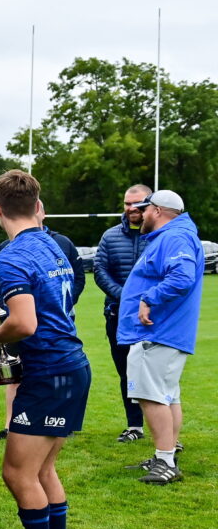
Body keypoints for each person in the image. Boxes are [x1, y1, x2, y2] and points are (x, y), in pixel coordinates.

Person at [0, 170, 90, 529]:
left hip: (49, 373)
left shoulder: (10, 256)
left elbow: (24, 323)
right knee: (43, 469)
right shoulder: (51, 243)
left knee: (17, 473)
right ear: (38, 206)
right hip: (72, 365)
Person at [117, 189, 203, 485]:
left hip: (158, 330)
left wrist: (149, 298)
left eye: (145, 208)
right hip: (164, 330)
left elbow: (182, 276)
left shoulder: (174, 237)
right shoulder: (175, 235)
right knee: (167, 395)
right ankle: (165, 456)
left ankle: (165, 461)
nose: (139, 214)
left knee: (150, 394)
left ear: (157, 210)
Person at [0, 215, 84, 441]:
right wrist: (11, 306)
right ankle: (10, 424)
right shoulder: (7, 248)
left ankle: (62, 420)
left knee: (17, 473)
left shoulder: (58, 243)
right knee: (16, 372)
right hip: (64, 355)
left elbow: (78, 278)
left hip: (49, 354)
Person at [94, 184, 150, 442]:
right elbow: (100, 271)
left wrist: (146, 300)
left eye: (136, 203)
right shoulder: (110, 236)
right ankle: (135, 426)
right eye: (127, 203)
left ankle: (166, 430)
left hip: (153, 315)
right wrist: (126, 297)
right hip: (118, 314)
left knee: (156, 372)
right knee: (126, 372)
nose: (131, 209)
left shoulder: (160, 236)